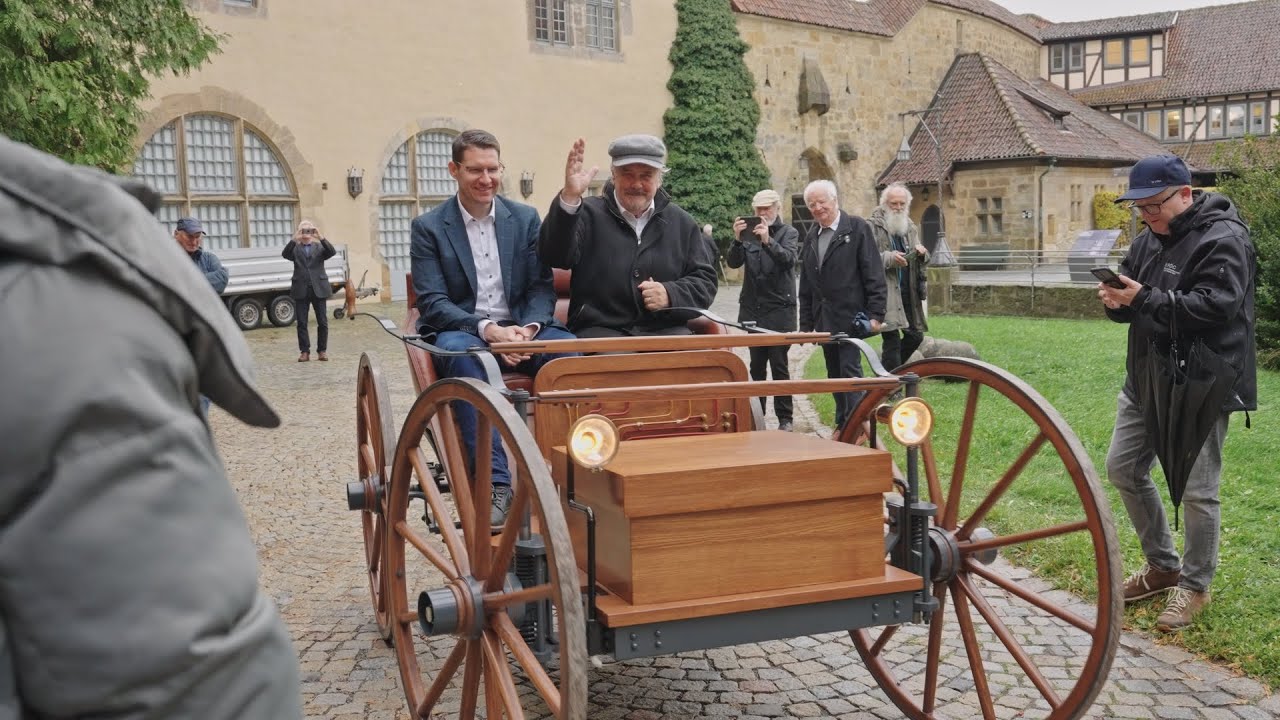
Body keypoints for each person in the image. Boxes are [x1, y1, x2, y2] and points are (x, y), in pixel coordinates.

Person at [0, 135, 302, 718]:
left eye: (199, 237)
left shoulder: (66, 322)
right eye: (191, 236)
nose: (197, 243)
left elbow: (180, 670)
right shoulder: (56, 317)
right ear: (178, 237)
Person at [1099, 153, 1256, 631]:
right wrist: (1116, 302)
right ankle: (1163, 566)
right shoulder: (1148, 239)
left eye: (1154, 205)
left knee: (1197, 490)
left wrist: (1143, 299)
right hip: (1147, 377)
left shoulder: (1224, 239)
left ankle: (1194, 587)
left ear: (1185, 194)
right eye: (1139, 208)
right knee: (1123, 468)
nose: (1146, 216)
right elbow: (1135, 296)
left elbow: (1218, 307)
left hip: (1203, 382)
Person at [410, 129, 576, 528]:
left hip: (525, 328)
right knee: (469, 364)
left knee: (570, 355)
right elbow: (432, 302)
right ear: (454, 170)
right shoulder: (429, 227)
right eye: (475, 170)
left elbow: (541, 286)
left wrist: (528, 330)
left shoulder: (524, 218)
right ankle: (495, 485)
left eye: (493, 169)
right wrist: (488, 331)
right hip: (464, 329)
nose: (486, 179)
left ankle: (574, 472)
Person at [539, 134, 718, 337]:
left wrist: (671, 294)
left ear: (659, 179)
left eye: (646, 175)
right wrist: (570, 197)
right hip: (600, 334)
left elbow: (705, 282)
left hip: (666, 333)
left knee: (696, 364)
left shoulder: (682, 222)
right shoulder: (585, 214)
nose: (636, 184)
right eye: (628, 174)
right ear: (614, 175)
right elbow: (553, 256)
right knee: (618, 365)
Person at [797, 179, 887, 430]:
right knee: (834, 374)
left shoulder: (856, 228)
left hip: (851, 316)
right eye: (812, 204)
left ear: (834, 200)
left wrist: (876, 314)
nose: (817, 208)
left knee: (850, 373)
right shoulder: (811, 237)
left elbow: (873, 272)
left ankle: (855, 427)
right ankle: (843, 422)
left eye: (821, 201)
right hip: (825, 319)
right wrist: (806, 323)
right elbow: (806, 284)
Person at [728, 189, 799, 431]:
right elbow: (733, 262)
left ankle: (785, 419)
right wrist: (737, 240)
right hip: (754, 311)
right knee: (756, 367)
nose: (762, 213)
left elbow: (788, 260)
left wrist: (768, 240)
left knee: (779, 366)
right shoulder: (749, 234)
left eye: (767, 208)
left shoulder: (789, 232)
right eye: (758, 209)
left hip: (780, 310)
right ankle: (756, 419)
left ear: (777, 208)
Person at [868, 182, 930, 371]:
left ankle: (886, 372)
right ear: (884, 203)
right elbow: (865, 259)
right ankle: (891, 386)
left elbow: (921, 253)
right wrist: (889, 258)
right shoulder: (870, 226)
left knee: (915, 336)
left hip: (908, 291)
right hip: (886, 291)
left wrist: (921, 253)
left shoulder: (909, 226)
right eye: (894, 203)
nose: (898, 208)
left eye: (902, 204)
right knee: (892, 338)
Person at [282, 220, 337, 362]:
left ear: (312, 232)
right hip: (301, 288)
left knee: (323, 322)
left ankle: (322, 351)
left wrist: (321, 237)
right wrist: (295, 239)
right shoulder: (295, 248)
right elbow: (285, 254)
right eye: (303, 230)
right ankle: (304, 352)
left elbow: (332, 252)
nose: (306, 233)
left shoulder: (319, 247)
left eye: (309, 230)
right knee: (301, 322)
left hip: (319, 288)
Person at [175, 216, 228, 294]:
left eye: (197, 237)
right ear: (176, 234)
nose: (194, 242)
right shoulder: (165, 258)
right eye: (189, 236)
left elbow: (221, 282)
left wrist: (184, 281)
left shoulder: (209, 259)